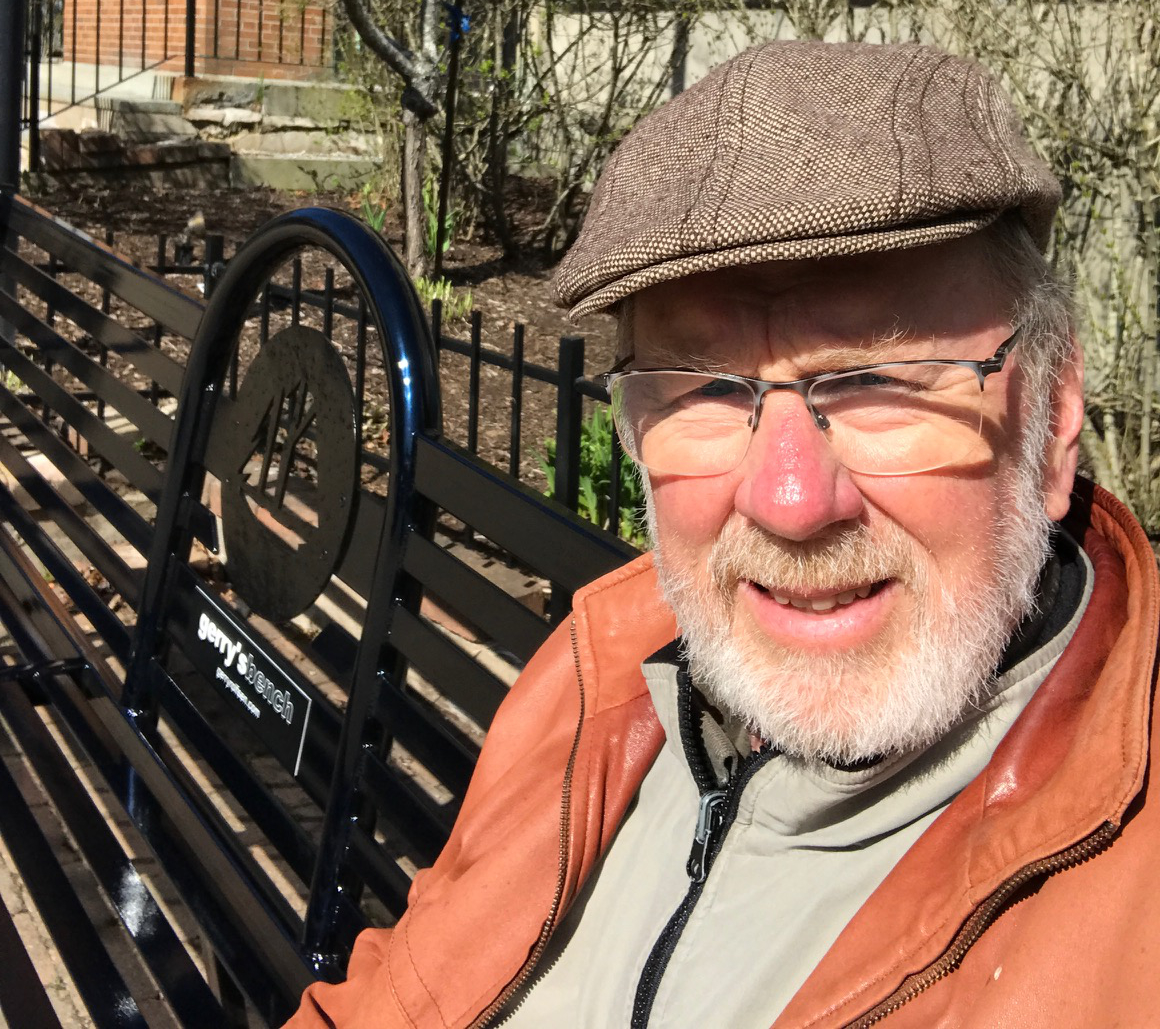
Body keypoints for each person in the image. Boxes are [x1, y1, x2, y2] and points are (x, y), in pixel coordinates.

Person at [287, 40, 1159, 1028]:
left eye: (877, 379)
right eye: (701, 386)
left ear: (1049, 420)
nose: (788, 501)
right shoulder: (598, 673)